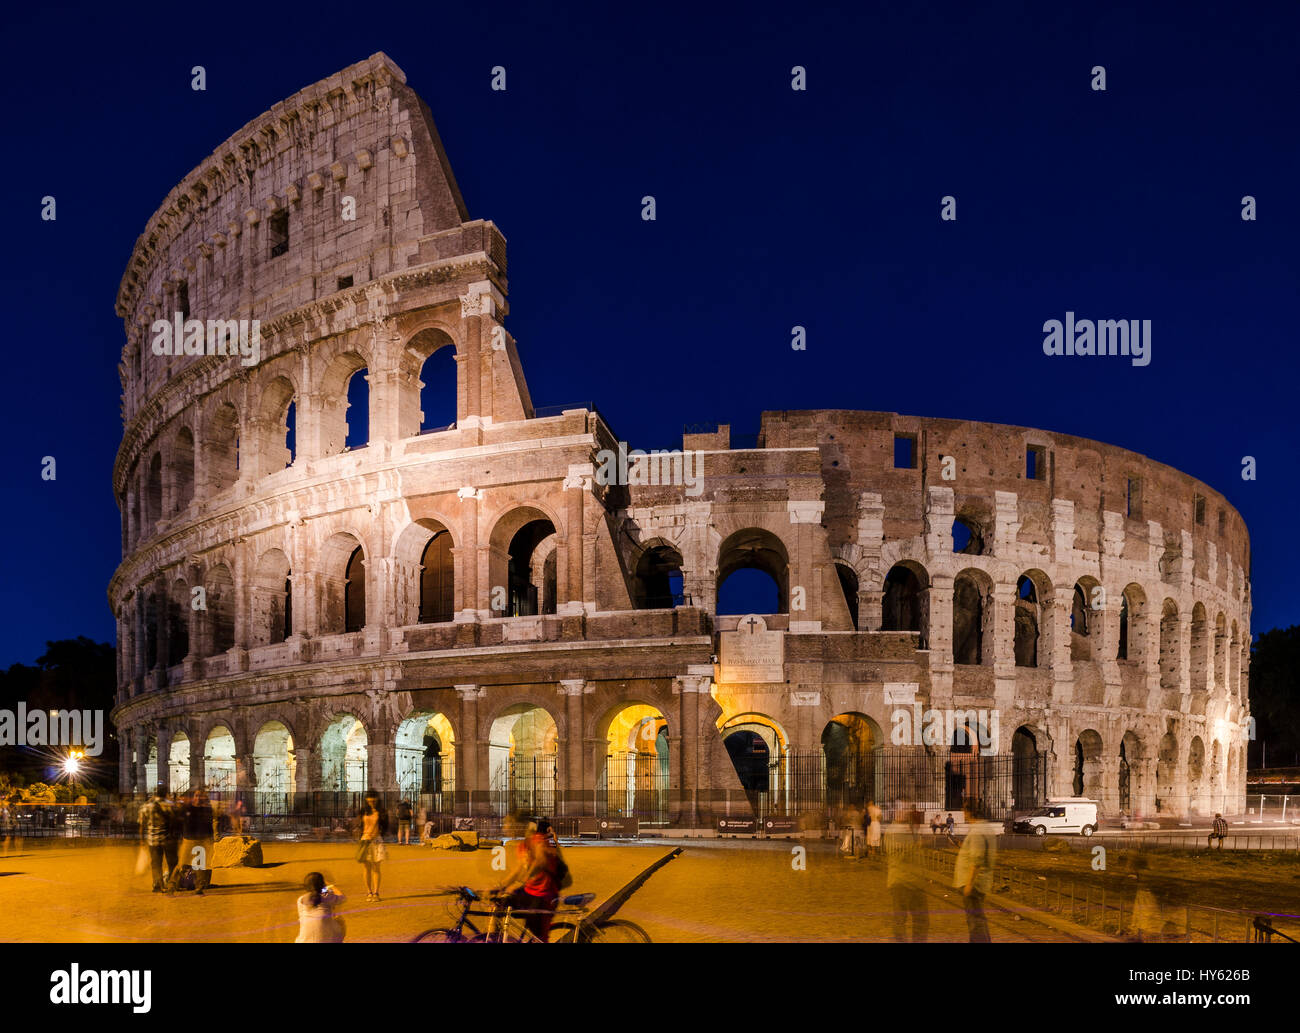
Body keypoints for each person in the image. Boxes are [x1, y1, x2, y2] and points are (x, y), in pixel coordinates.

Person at [494, 815, 562, 941]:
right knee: (498, 904)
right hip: (530, 891)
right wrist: (500, 886)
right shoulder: (522, 846)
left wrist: (523, 880)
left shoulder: (539, 841)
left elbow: (540, 862)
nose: (506, 827)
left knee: (539, 937)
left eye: (509, 824)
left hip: (544, 895)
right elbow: (518, 869)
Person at [952, 799, 996, 943]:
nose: (964, 814)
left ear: (970, 812)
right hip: (982, 881)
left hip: (973, 883)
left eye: (965, 810)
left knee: (974, 921)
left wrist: (969, 883)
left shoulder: (977, 831)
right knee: (978, 919)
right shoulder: (986, 828)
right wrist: (962, 846)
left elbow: (977, 859)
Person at [885, 823, 929, 942]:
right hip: (901, 881)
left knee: (921, 919)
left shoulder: (913, 830)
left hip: (917, 882)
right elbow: (897, 856)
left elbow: (919, 858)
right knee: (900, 919)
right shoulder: (894, 831)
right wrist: (915, 844)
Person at [171, 787, 218, 895]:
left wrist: (211, 838)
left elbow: (209, 824)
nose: (198, 798)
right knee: (182, 864)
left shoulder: (208, 809)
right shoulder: (187, 808)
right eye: (196, 796)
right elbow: (178, 822)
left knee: (200, 865)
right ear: (193, 797)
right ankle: (172, 885)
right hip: (189, 839)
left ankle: (199, 887)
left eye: (201, 796)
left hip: (203, 840)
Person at [137, 788, 174, 892]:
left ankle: (157, 884)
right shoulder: (169, 805)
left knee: (156, 863)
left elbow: (141, 825)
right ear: (166, 794)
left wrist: (141, 840)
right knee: (171, 862)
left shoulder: (146, 806)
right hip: (167, 839)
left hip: (152, 840)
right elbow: (174, 822)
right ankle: (170, 883)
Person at [296, 872, 346, 943]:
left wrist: (324, 888)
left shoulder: (300, 900)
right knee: (339, 920)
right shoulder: (327, 897)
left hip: (303, 941)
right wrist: (330, 886)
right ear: (322, 885)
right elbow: (342, 898)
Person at [357, 790, 388, 901]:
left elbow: (385, 826)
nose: (371, 801)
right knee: (366, 868)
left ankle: (376, 892)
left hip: (377, 841)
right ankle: (369, 892)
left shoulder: (381, 811)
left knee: (376, 867)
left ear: (377, 799)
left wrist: (377, 834)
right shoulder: (363, 811)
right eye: (369, 799)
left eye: (373, 799)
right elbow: (359, 824)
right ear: (366, 799)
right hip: (365, 840)